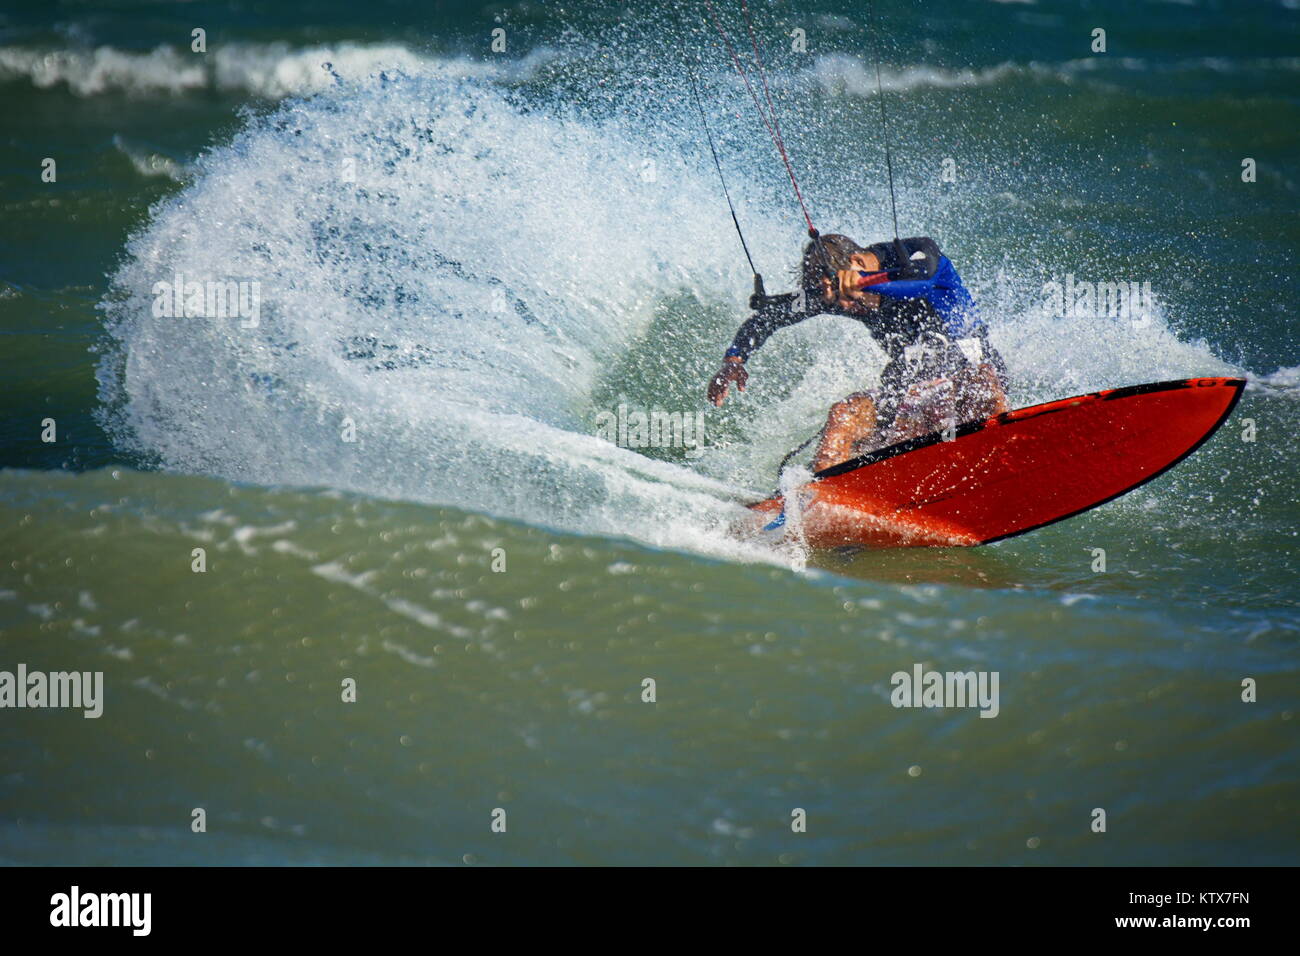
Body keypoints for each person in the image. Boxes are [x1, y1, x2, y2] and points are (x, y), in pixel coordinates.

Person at [706, 234, 1010, 471]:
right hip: (911, 396)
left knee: (980, 379)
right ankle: (823, 506)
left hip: (971, 386)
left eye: (846, 295)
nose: (846, 305)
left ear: (856, 262)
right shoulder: (837, 294)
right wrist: (734, 360)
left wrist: (868, 282)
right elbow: (767, 318)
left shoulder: (919, 264)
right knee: (844, 414)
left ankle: (1006, 452)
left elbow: (927, 272)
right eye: (837, 300)